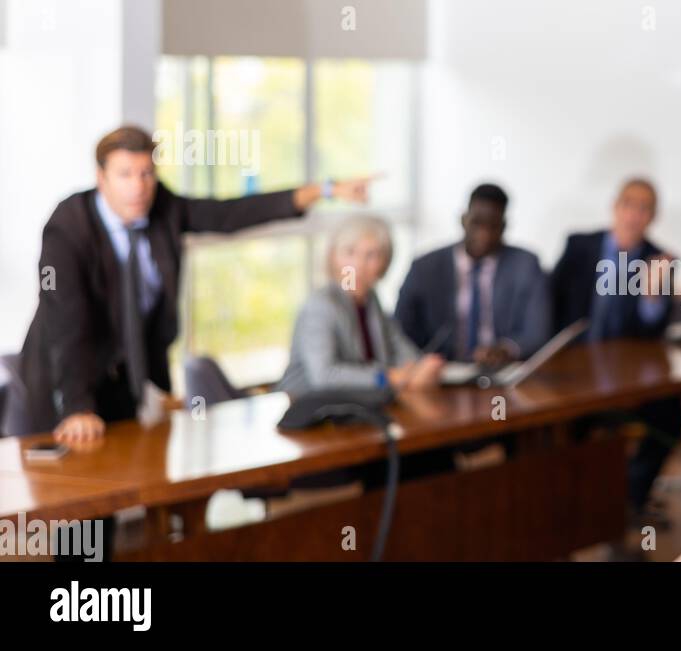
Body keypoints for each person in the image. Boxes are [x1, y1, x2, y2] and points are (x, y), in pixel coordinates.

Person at [17, 125, 375, 444]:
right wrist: (77, 405)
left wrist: (323, 189)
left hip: (122, 381)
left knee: (118, 493)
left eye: (147, 173)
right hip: (62, 382)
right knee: (69, 511)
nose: (138, 187)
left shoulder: (163, 209)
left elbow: (231, 214)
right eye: (125, 174)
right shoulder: (68, 228)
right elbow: (67, 322)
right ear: (101, 177)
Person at [551, 178, 681, 516]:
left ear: (653, 216)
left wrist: (652, 293)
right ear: (615, 207)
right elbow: (551, 303)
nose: (634, 215)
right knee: (562, 426)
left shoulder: (660, 259)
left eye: (644, 208)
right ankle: (567, 502)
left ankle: (628, 498)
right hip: (572, 370)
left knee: (672, 413)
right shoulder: (580, 246)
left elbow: (653, 333)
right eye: (629, 204)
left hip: (626, 378)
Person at [278, 216, 443, 395]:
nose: (358, 265)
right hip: (308, 409)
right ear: (333, 257)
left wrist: (422, 367)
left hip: (358, 406)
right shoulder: (321, 305)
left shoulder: (371, 301)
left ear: (385, 263)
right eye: (350, 252)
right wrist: (386, 377)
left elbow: (403, 352)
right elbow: (324, 376)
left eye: (372, 255)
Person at [394, 183, 551, 365]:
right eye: (477, 223)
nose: (485, 234)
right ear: (463, 220)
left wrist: (506, 349)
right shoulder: (425, 267)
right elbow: (400, 330)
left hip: (502, 370)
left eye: (494, 226)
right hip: (440, 370)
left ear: (504, 226)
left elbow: (538, 331)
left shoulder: (526, 265)